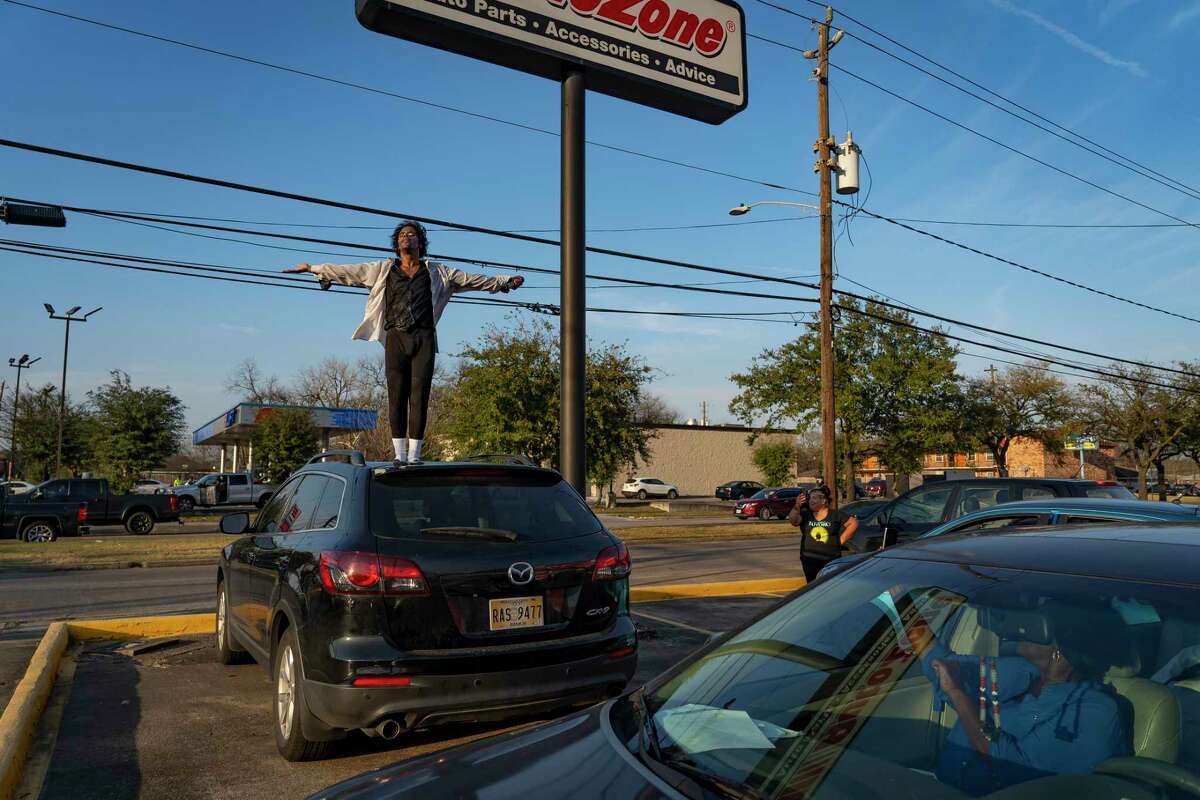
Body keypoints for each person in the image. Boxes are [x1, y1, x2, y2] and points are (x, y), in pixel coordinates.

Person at [284, 221, 523, 463]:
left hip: (424, 337)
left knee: (419, 395)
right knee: (396, 394)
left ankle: (415, 454)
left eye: (411, 234)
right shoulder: (384, 269)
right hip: (396, 336)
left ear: (420, 242)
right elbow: (351, 272)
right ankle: (399, 455)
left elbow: (473, 280)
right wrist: (314, 268)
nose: (406, 238)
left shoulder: (439, 272)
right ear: (397, 244)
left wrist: (504, 281)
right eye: (401, 235)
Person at [910, 600, 1131, 795]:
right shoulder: (1024, 672)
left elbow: (1006, 762)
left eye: (1033, 628)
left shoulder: (1096, 712)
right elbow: (941, 666)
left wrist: (957, 694)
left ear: (1058, 653)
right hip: (938, 787)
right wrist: (901, 607)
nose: (1020, 631)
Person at [788, 486, 857, 582]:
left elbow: (853, 523)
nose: (811, 501)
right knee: (812, 586)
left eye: (815, 498)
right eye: (810, 498)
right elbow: (793, 521)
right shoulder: (806, 514)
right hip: (809, 559)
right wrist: (797, 506)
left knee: (829, 585)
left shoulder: (835, 515)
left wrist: (840, 541)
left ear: (823, 500)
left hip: (831, 559)